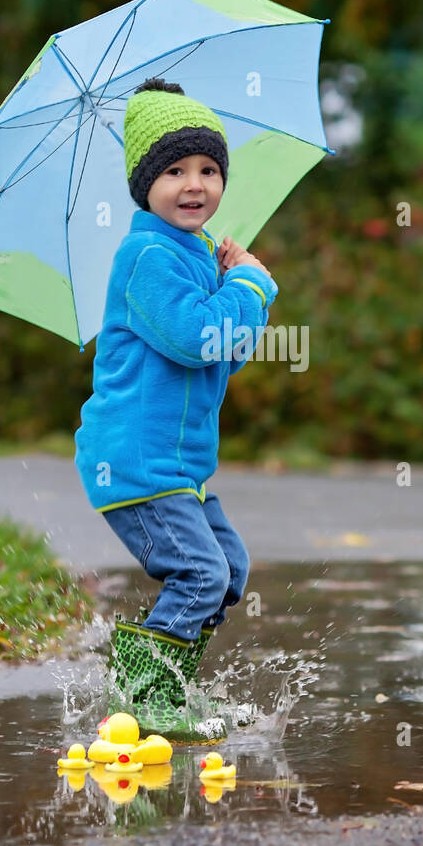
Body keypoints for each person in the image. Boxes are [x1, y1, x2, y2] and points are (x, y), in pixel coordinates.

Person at [74, 77, 278, 740]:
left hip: (177, 466)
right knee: (198, 571)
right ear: (145, 184)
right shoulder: (146, 255)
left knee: (226, 571)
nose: (195, 183)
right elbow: (196, 339)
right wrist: (247, 285)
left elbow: (219, 356)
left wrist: (232, 287)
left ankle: (168, 689)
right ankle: (139, 696)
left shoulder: (190, 256)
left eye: (209, 169)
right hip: (134, 459)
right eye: (174, 170)